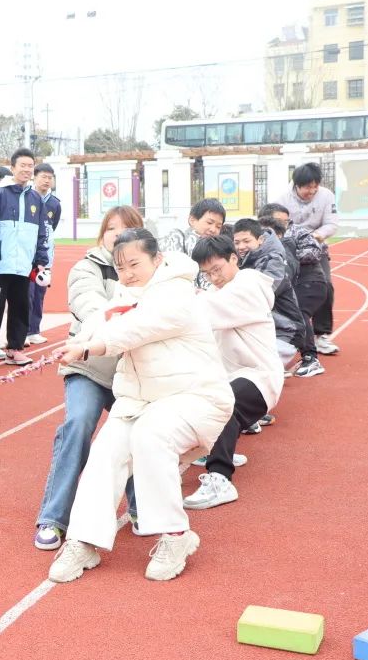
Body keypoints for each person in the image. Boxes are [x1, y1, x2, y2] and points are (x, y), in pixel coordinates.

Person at [48, 229, 233, 583]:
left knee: (152, 435)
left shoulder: (177, 293)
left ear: (157, 259)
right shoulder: (125, 295)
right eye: (120, 267)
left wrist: (91, 347)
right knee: (105, 452)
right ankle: (83, 540)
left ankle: (176, 536)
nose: (128, 273)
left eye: (134, 264)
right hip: (142, 402)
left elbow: (138, 328)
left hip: (196, 397)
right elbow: (99, 321)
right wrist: (76, 342)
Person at [33, 205, 143, 551]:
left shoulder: (152, 271)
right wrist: (113, 322)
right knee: (78, 424)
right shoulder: (87, 267)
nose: (118, 234)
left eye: (126, 228)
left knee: (142, 432)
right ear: (102, 234)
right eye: (111, 228)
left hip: (132, 373)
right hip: (89, 367)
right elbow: (89, 303)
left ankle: (144, 507)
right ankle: (53, 517)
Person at [183, 235, 283, 509]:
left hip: (259, 376)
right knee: (195, 397)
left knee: (225, 402)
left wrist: (175, 297)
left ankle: (219, 477)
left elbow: (204, 309)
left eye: (218, 269)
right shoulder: (218, 292)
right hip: (234, 375)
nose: (214, 277)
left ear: (233, 259)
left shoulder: (248, 285)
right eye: (207, 273)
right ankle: (218, 446)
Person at [0, 148, 48, 368]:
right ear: (13, 168)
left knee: (21, 307)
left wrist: (40, 258)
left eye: (30, 166)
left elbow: (41, 232)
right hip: (0, 263)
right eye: (23, 165)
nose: (27, 170)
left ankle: (15, 349)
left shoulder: (36, 198)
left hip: (24, 265)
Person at [232, 219, 320, 377]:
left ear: (260, 240)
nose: (241, 246)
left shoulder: (272, 261)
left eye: (246, 241)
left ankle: (306, 359)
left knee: (250, 374)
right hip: (265, 332)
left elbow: (257, 297)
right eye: (237, 242)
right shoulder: (246, 259)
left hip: (286, 332)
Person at [273, 162, 340, 355]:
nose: (311, 191)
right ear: (296, 185)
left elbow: (331, 224)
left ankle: (321, 335)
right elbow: (277, 226)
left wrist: (313, 237)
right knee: (284, 288)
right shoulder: (282, 199)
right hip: (290, 249)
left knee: (325, 286)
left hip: (315, 247)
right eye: (307, 187)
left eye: (315, 186)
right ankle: (287, 332)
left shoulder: (326, 196)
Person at [260, 201, 333, 363]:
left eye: (286, 221)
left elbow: (314, 251)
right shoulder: (259, 234)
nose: (284, 225)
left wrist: (286, 256)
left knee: (299, 314)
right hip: (283, 283)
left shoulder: (297, 232)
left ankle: (310, 356)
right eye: (279, 221)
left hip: (308, 281)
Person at [27, 163, 61, 346]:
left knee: (39, 294)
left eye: (50, 177)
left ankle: (34, 330)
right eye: (43, 176)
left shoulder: (55, 203)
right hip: (26, 257)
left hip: (45, 257)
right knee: (26, 295)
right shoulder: (28, 198)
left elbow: (51, 227)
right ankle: (22, 331)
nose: (47, 180)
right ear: (35, 177)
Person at [157, 198, 226, 289]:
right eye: (209, 222)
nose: (213, 229)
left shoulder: (218, 249)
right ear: (192, 220)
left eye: (218, 226)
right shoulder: (176, 239)